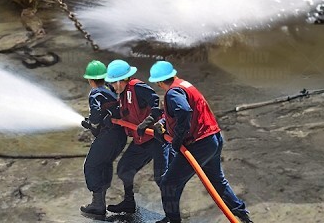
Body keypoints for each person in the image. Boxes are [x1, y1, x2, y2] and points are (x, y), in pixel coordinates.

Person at [150, 60, 252, 223]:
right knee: (217, 180)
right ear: (173, 74)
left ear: (159, 82)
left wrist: (177, 139)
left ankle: (172, 219)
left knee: (168, 183)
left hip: (199, 143)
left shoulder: (172, 93)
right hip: (213, 138)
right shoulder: (184, 85)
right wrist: (163, 123)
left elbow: (184, 111)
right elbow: (186, 111)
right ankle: (241, 214)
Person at [104, 59, 164, 216]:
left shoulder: (138, 88)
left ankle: (172, 217)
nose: (112, 86)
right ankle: (129, 203)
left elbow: (156, 103)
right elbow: (125, 113)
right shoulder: (122, 93)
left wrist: (148, 122)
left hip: (156, 139)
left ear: (123, 80)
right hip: (141, 140)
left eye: (113, 82)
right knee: (124, 169)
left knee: (162, 179)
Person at [81, 60, 127, 219]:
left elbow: (96, 113)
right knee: (104, 164)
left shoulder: (96, 92)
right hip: (119, 136)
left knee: (91, 166)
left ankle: (98, 204)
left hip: (109, 136)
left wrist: (92, 124)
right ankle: (100, 201)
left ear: (90, 80)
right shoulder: (110, 89)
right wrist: (95, 122)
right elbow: (107, 112)